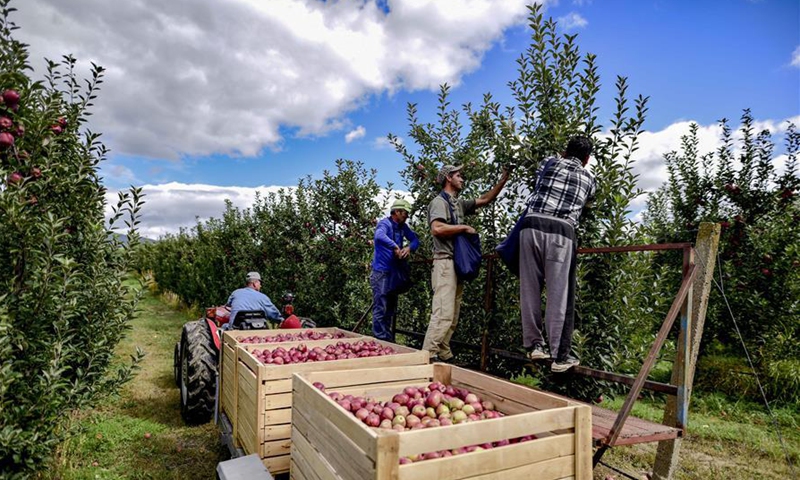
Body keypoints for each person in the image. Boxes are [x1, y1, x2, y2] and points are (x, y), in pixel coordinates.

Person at [519, 136, 596, 372]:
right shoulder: (590, 179)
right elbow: (589, 202)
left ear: (564, 152)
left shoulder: (549, 163)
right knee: (558, 294)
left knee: (529, 289)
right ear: (587, 159)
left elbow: (537, 177)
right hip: (561, 231)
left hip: (531, 227)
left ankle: (535, 346)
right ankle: (559, 356)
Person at [422, 164, 510, 362]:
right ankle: (428, 354)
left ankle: (443, 352)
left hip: (456, 264)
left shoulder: (458, 203)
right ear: (448, 178)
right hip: (445, 263)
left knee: (452, 315)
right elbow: (437, 228)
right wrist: (463, 227)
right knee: (443, 312)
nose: (462, 179)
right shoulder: (438, 202)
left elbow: (486, 199)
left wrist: (503, 179)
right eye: (459, 175)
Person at [370, 199, 419, 342]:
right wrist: (395, 246)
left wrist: (409, 248)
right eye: (405, 213)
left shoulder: (403, 227)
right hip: (381, 272)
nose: (407, 216)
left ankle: (387, 339)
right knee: (381, 307)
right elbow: (378, 236)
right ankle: (380, 340)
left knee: (390, 308)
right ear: (396, 212)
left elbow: (415, 240)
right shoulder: (385, 224)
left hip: (393, 274)